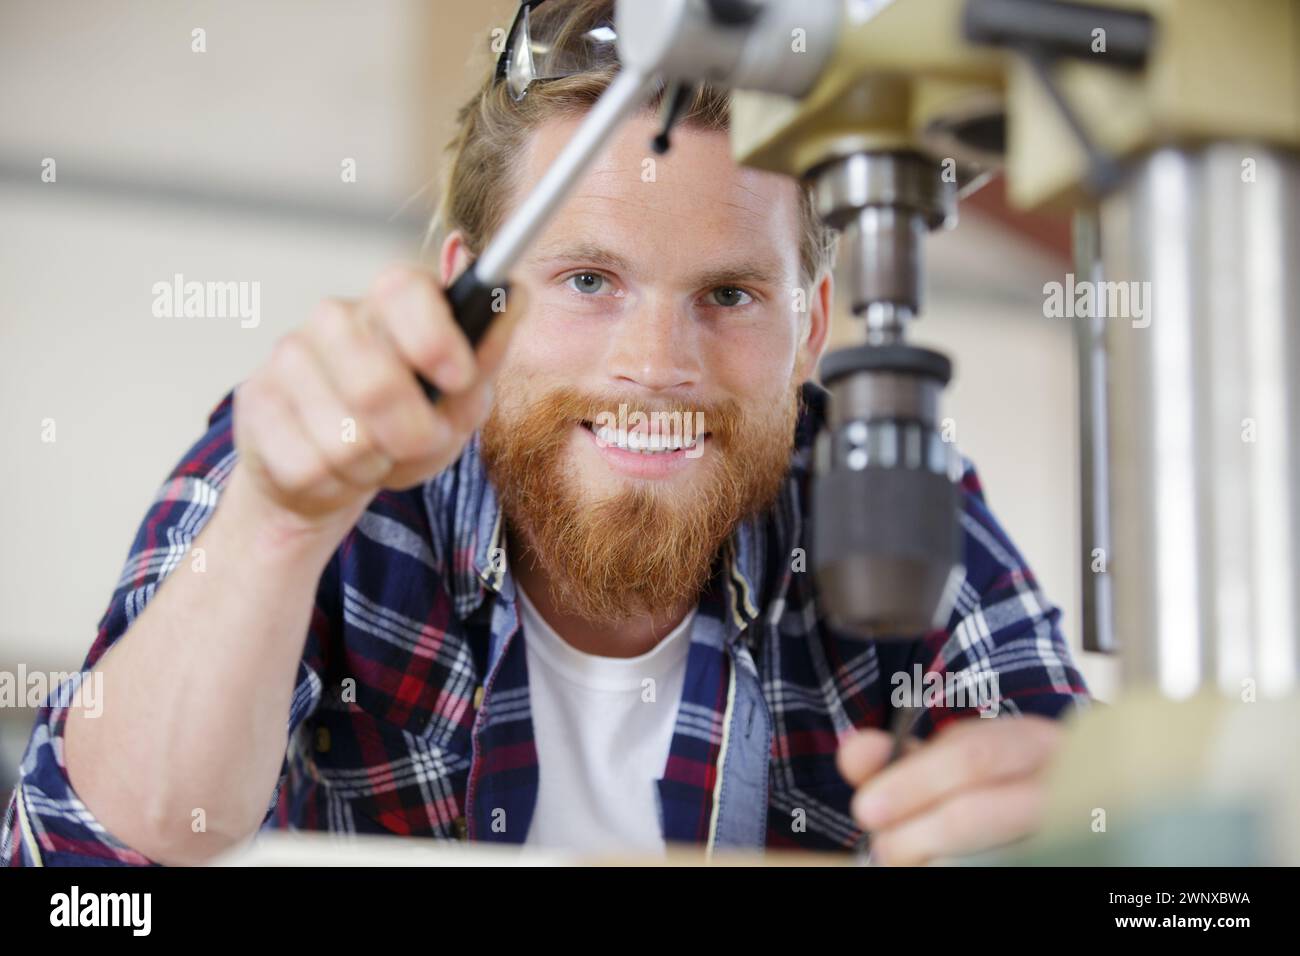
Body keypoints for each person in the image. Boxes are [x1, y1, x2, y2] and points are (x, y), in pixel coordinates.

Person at [1, 0, 1088, 867]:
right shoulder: (313, 462)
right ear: (465, 297)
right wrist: (277, 530)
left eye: (729, 294)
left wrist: (1085, 825)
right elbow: (84, 873)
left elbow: (1159, 875)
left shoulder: (895, 494)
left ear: (810, 327)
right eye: (586, 278)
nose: (658, 361)